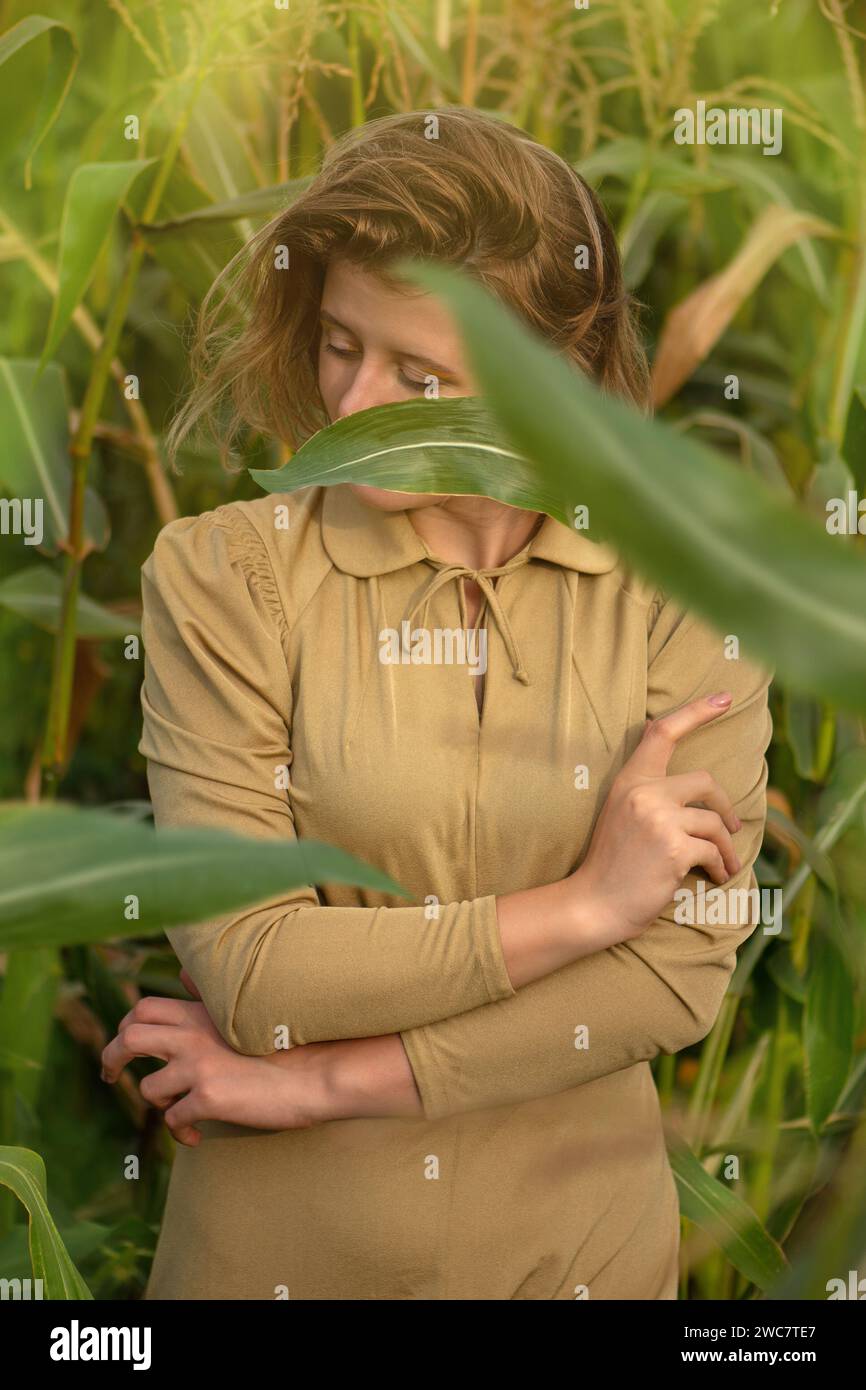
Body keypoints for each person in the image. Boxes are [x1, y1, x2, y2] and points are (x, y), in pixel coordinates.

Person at [101, 107, 772, 1300]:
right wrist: (583, 905)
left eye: (420, 378)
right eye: (340, 345)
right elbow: (256, 976)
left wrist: (314, 1082)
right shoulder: (225, 576)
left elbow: (670, 978)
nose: (355, 411)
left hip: (579, 1265)